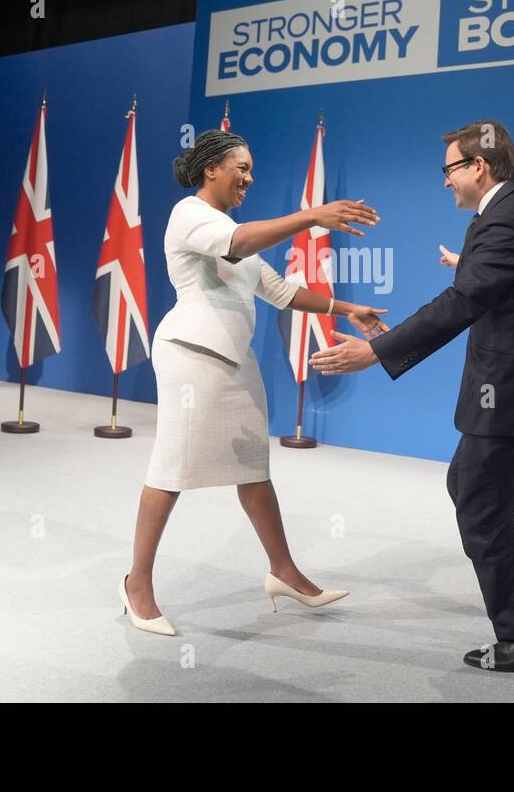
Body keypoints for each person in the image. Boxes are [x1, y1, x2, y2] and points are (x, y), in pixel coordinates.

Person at [310, 120, 514, 673]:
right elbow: (500, 283)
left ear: (478, 166)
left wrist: (379, 351)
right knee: (466, 484)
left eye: (449, 169)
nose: (445, 182)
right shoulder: (512, 212)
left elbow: (463, 303)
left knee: (481, 510)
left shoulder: (507, 217)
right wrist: (470, 267)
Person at [120, 128, 388, 636]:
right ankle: (137, 585)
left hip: (235, 361)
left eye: (251, 169)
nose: (249, 177)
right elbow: (239, 243)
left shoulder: (230, 226)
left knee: (253, 469)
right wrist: (311, 215)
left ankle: (283, 573)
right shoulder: (190, 214)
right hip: (188, 356)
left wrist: (348, 307)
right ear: (210, 170)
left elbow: (281, 291)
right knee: (171, 470)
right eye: (240, 167)